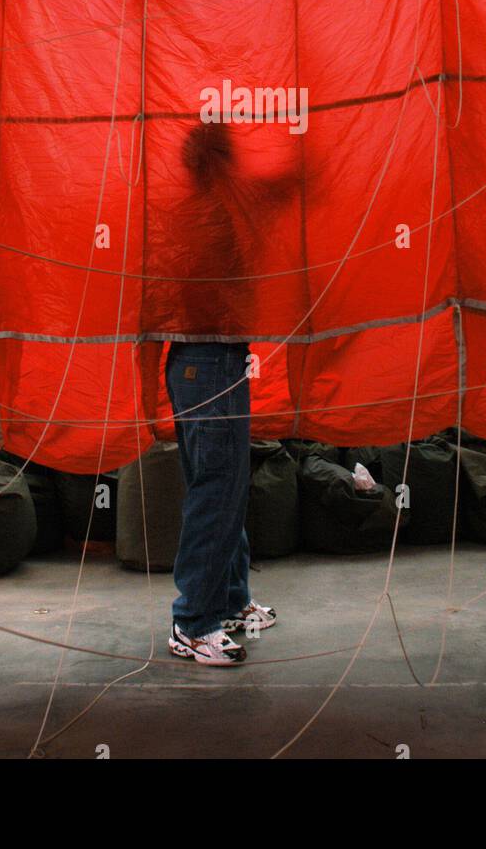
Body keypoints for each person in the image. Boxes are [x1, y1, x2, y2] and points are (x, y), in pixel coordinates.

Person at [165, 122, 294, 666]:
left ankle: (231, 601)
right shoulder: (213, 213)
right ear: (222, 163)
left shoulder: (204, 207)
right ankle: (194, 622)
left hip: (210, 362)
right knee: (217, 490)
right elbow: (282, 192)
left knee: (226, 486)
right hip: (208, 362)